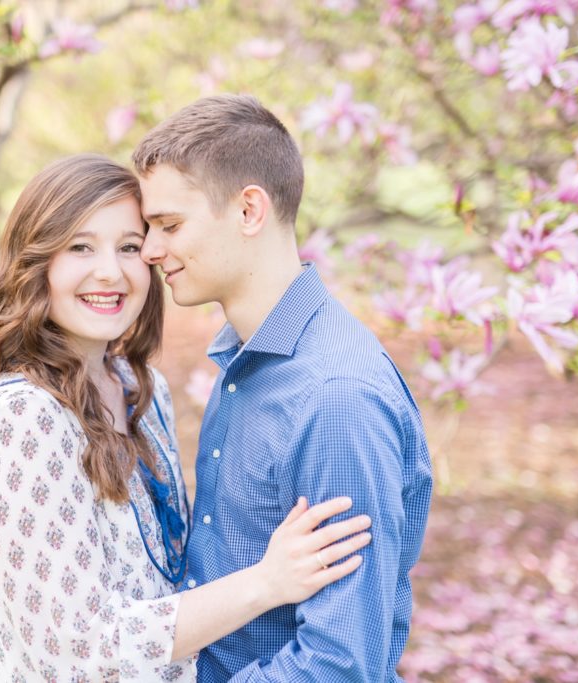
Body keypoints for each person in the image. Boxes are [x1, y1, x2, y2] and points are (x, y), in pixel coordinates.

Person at [0, 154, 373, 682]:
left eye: (129, 247)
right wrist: (267, 581)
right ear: (36, 263)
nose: (111, 271)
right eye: (80, 247)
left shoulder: (137, 389)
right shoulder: (20, 419)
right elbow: (77, 651)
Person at [132, 95, 433, 682]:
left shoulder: (334, 398)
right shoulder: (248, 362)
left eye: (169, 225)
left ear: (249, 211)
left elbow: (340, 665)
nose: (150, 250)